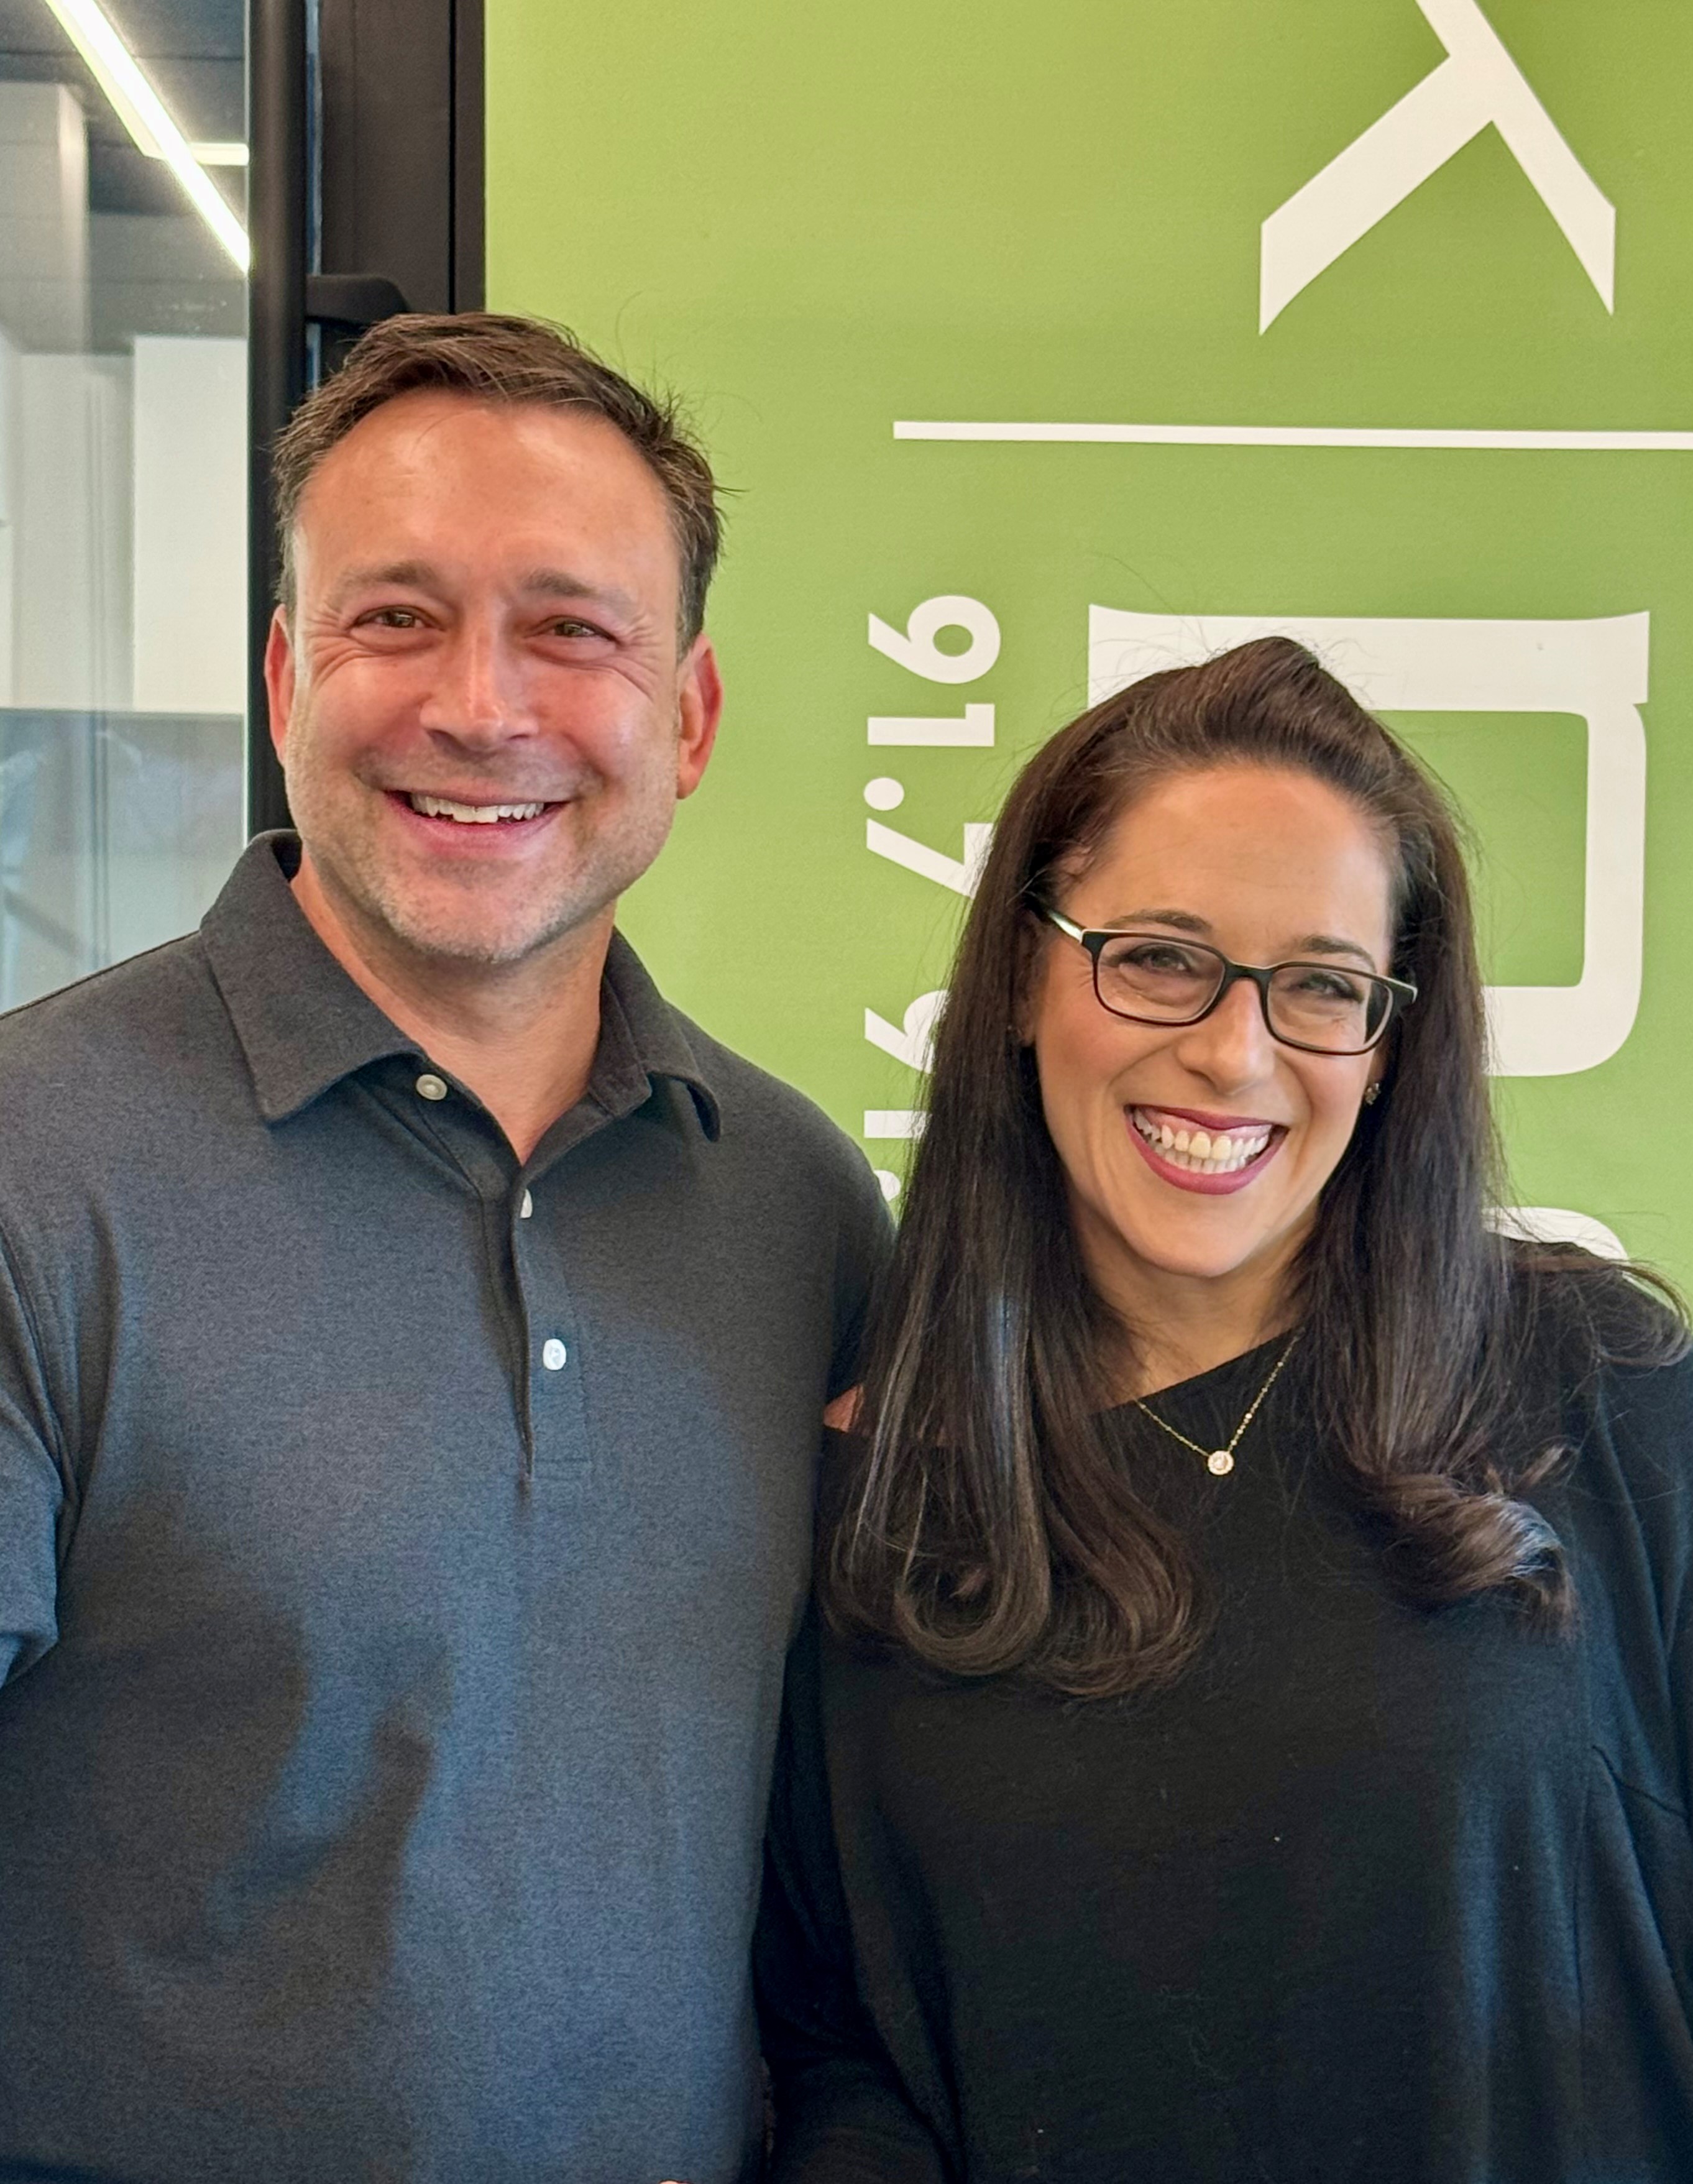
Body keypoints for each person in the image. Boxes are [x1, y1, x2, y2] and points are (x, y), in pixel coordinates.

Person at [0, 313, 889, 2184]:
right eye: (396, 617)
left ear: (689, 717)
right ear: (284, 678)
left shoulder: (796, 1208)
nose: (481, 706)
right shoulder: (34, 1164)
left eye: (571, 631)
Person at [758, 636, 1693, 2183]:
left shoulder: (1602, 1386)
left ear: (1391, 1045)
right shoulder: (875, 1487)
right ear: (1022, 977)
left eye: (1324, 986)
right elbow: (843, 2047)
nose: (1230, 1052)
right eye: (1157, 957)